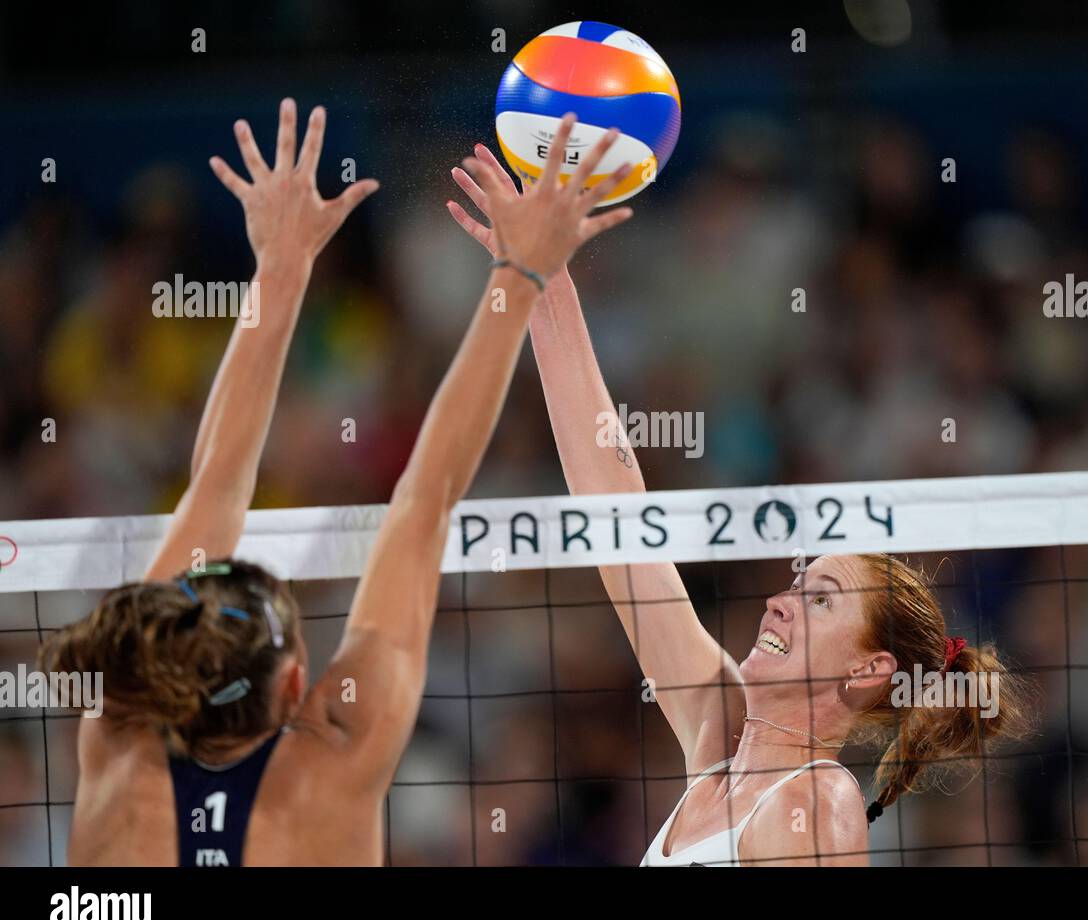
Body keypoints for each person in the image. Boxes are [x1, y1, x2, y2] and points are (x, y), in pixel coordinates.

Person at [40, 107, 632, 865]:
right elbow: (421, 500)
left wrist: (279, 269)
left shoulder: (116, 746)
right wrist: (519, 273)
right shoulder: (333, 771)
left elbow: (222, 489)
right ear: (295, 686)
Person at [448, 146, 1028, 866]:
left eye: (820, 600)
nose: (781, 601)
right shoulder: (717, 737)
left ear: (866, 671)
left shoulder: (816, 802)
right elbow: (615, 512)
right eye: (800, 583)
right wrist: (543, 273)